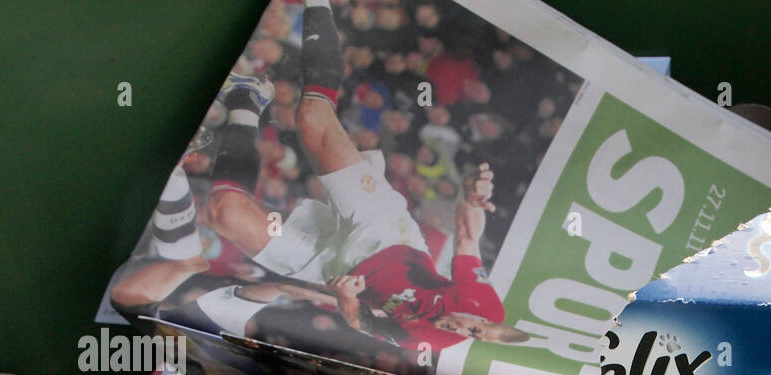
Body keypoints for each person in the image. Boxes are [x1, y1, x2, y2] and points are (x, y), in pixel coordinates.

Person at [197, 0, 526, 352]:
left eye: (471, 337)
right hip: (383, 233)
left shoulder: (428, 340)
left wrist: (345, 297)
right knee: (311, 117)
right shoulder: (481, 301)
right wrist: (471, 197)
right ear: (484, 320)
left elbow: (361, 323)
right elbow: (466, 237)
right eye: (475, 329)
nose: (465, 331)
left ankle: (246, 99)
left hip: (333, 269)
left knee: (224, 212)